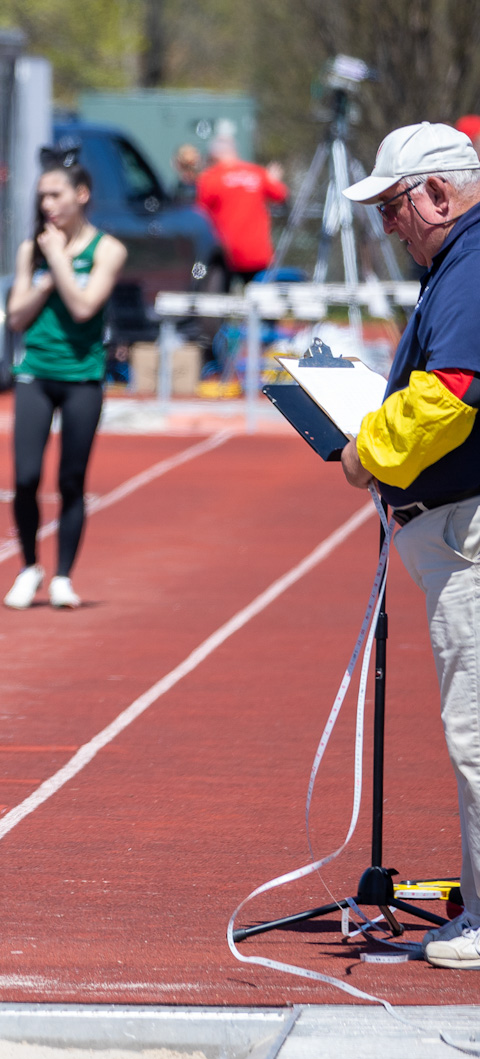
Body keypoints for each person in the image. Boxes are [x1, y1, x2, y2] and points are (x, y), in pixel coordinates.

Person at [340, 122, 480, 971]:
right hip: (452, 524)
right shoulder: (454, 264)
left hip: (467, 529)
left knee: (475, 730)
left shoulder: (468, 261)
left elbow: (453, 390)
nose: (388, 226)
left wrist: (366, 449)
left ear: (436, 193)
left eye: (392, 207)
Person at [1, 148, 127, 612]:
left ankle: (63, 577)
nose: (47, 205)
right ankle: (29, 566)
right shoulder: (31, 248)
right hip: (35, 373)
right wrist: (46, 274)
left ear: (81, 195)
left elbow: (84, 307)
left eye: (55, 195)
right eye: (41, 197)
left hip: (82, 379)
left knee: (71, 481)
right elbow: (15, 316)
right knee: (25, 477)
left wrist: (58, 265)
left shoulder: (108, 249)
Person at [196, 133, 286, 283]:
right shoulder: (257, 173)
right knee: (258, 298)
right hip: (257, 252)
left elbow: (199, 212)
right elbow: (280, 195)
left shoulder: (209, 178)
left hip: (225, 253)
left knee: (220, 298)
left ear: (214, 156)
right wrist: (273, 179)